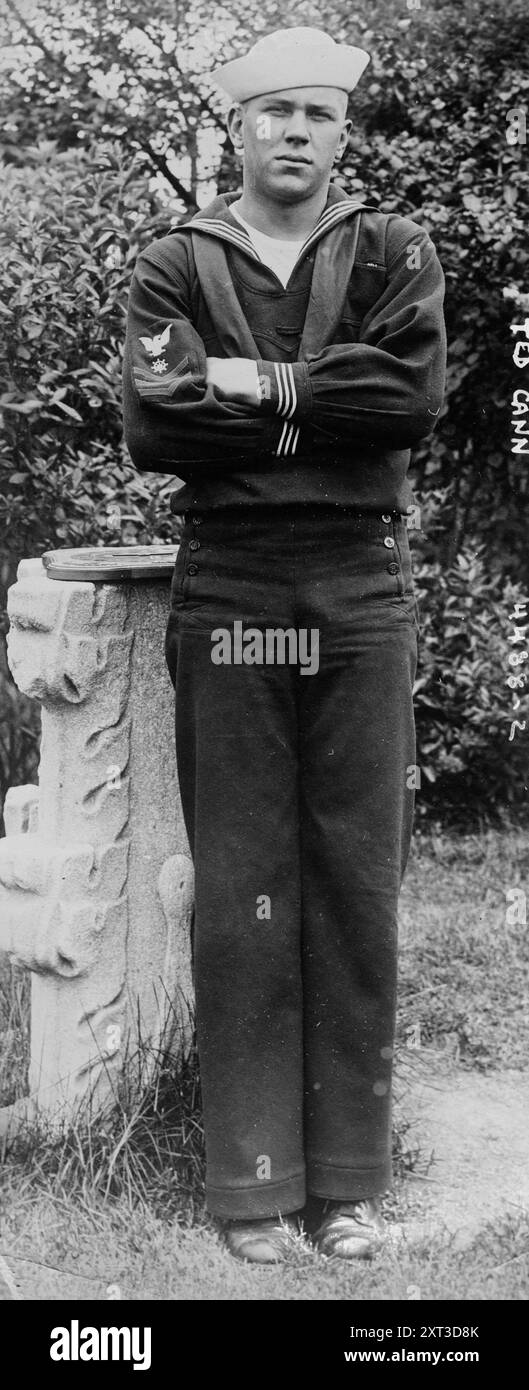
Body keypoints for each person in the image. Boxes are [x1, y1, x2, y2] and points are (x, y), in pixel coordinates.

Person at [122, 26, 446, 1264]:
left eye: (318, 112)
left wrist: (256, 390)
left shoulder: (391, 249)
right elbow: (160, 427)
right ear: (239, 131)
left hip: (357, 586)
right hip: (235, 586)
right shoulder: (173, 260)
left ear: (341, 131)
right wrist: (326, 397)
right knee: (247, 882)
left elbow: (407, 400)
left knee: (354, 879)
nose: (297, 132)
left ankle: (349, 1186)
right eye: (276, 114)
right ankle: (253, 1187)